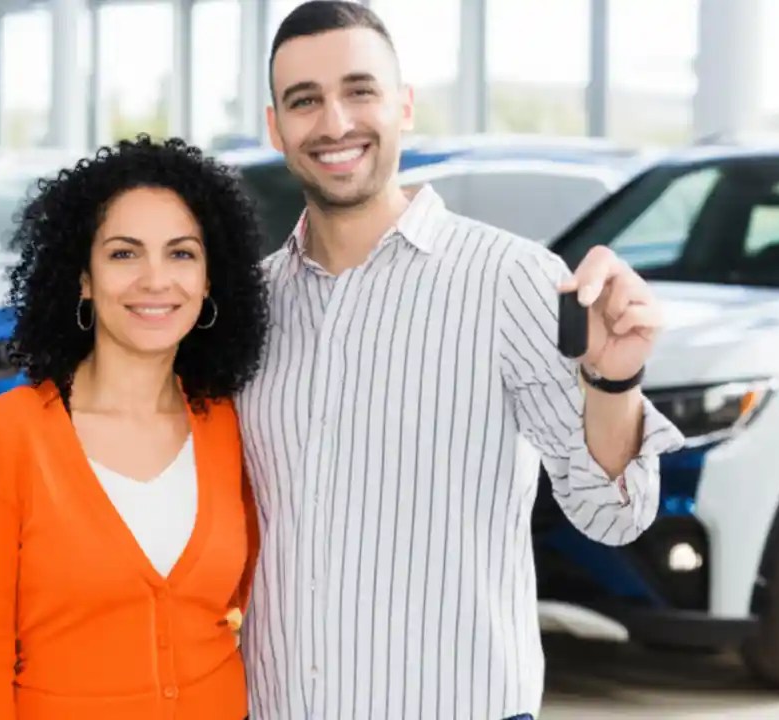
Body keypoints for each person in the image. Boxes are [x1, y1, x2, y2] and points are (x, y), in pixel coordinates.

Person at [235, 2, 687, 719]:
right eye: (304, 101)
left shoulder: (511, 280)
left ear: (403, 106)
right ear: (276, 127)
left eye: (360, 90)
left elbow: (612, 516)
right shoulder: (252, 304)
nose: (334, 122)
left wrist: (614, 381)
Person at [0, 135, 268, 720]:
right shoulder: (3, 439)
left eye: (182, 253)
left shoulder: (228, 425)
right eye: (123, 253)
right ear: (82, 278)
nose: (155, 280)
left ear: (211, 279)